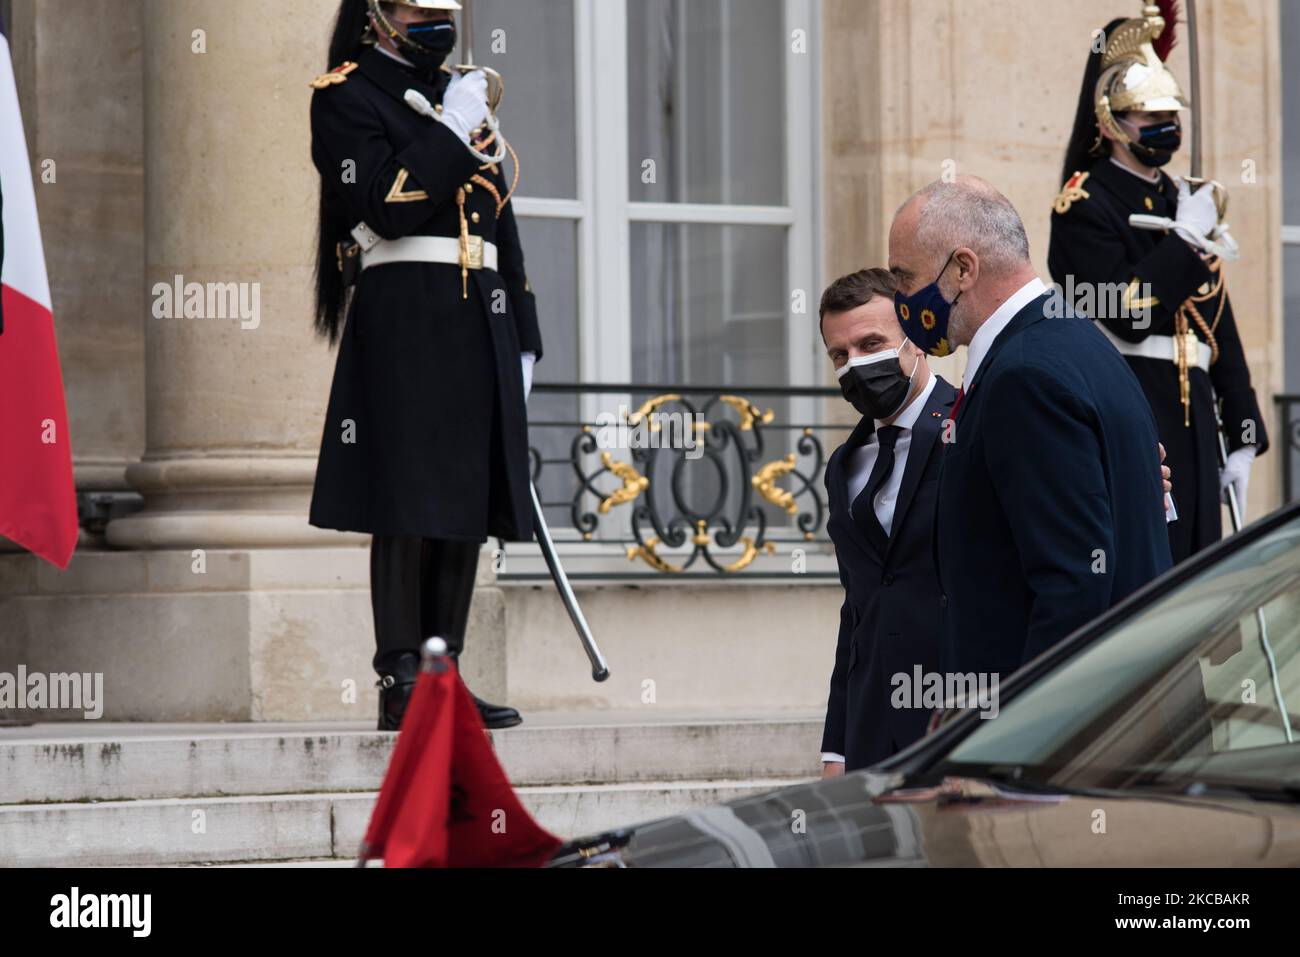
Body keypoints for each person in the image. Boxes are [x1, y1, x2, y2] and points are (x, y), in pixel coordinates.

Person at [308, 0, 543, 730]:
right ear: (378, 13)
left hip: (481, 315)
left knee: (464, 504)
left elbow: (498, 222)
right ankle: (401, 678)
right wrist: (447, 132)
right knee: (406, 501)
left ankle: (444, 674)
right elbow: (388, 205)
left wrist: (525, 334)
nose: (434, 19)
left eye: (443, 8)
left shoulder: (461, 92)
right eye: (417, 7)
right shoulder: (346, 96)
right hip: (405, 312)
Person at [889, 176, 1172, 679]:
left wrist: (1025, 738)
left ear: (961, 269)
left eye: (904, 277)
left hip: (1062, 732)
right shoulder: (1078, 341)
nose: (901, 299)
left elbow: (1072, 584)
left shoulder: (1023, 375)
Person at [1048, 2, 1268, 564]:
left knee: (1199, 579)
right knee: (1148, 571)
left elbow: (1216, 323)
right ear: (1110, 122)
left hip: (1195, 422)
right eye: (1149, 120)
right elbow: (1129, 310)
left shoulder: (1183, 200)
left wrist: (1242, 433)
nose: (1165, 129)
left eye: (1171, 117)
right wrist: (1185, 243)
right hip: (1134, 402)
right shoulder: (1084, 203)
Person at [817, 269, 958, 777]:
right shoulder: (843, 465)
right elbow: (857, 611)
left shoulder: (978, 426)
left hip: (963, 726)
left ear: (915, 339)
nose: (856, 365)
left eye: (871, 342)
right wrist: (836, 748)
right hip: (873, 740)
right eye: (840, 354)